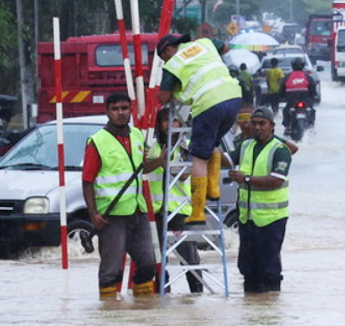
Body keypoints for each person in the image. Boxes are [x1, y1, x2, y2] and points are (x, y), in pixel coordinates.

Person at [157, 33, 242, 225]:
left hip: (208, 104)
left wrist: (175, 89)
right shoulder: (205, 43)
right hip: (233, 97)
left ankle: (197, 210)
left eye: (164, 58)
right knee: (213, 144)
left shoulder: (173, 64)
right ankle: (213, 187)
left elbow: (163, 97)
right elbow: (226, 47)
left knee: (198, 158)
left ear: (169, 50)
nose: (165, 61)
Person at [82, 93, 156, 300]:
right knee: (111, 270)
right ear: (107, 112)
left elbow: (143, 166)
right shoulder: (97, 142)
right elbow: (87, 181)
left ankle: (141, 312)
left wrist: (161, 160)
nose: (120, 113)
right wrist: (93, 213)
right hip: (111, 215)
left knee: (148, 264)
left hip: (137, 210)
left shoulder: (138, 136)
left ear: (130, 111)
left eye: (124, 108)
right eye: (115, 109)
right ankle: (109, 313)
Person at [223, 107, 292, 293]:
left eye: (262, 124)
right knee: (247, 268)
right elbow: (224, 159)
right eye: (254, 123)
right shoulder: (246, 146)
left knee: (269, 269)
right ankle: (252, 310)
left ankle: (270, 308)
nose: (257, 127)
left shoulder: (280, 150)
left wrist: (244, 179)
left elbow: (276, 181)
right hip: (247, 218)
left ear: (272, 126)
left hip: (271, 218)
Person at [144, 108, 204, 293]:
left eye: (175, 121)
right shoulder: (150, 146)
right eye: (165, 120)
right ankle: (164, 292)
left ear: (181, 124)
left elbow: (185, 175)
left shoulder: (186, 146)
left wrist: (166, 163)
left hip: (180, 211)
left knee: (189, 256)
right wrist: (158, 161)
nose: (170, 124)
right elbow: (142, 168)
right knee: (157, 258)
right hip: (155, 210)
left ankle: (196, 292)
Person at [279, 58, 317, 131]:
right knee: (312, 110)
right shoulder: (307, 76)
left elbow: (281, 88)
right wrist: (313, 96)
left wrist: (281, 96)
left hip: (291, 99)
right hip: (305, 98)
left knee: (286, 110)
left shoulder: (287, 76)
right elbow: (313, 88)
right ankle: (311, 126)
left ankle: (287, 127)